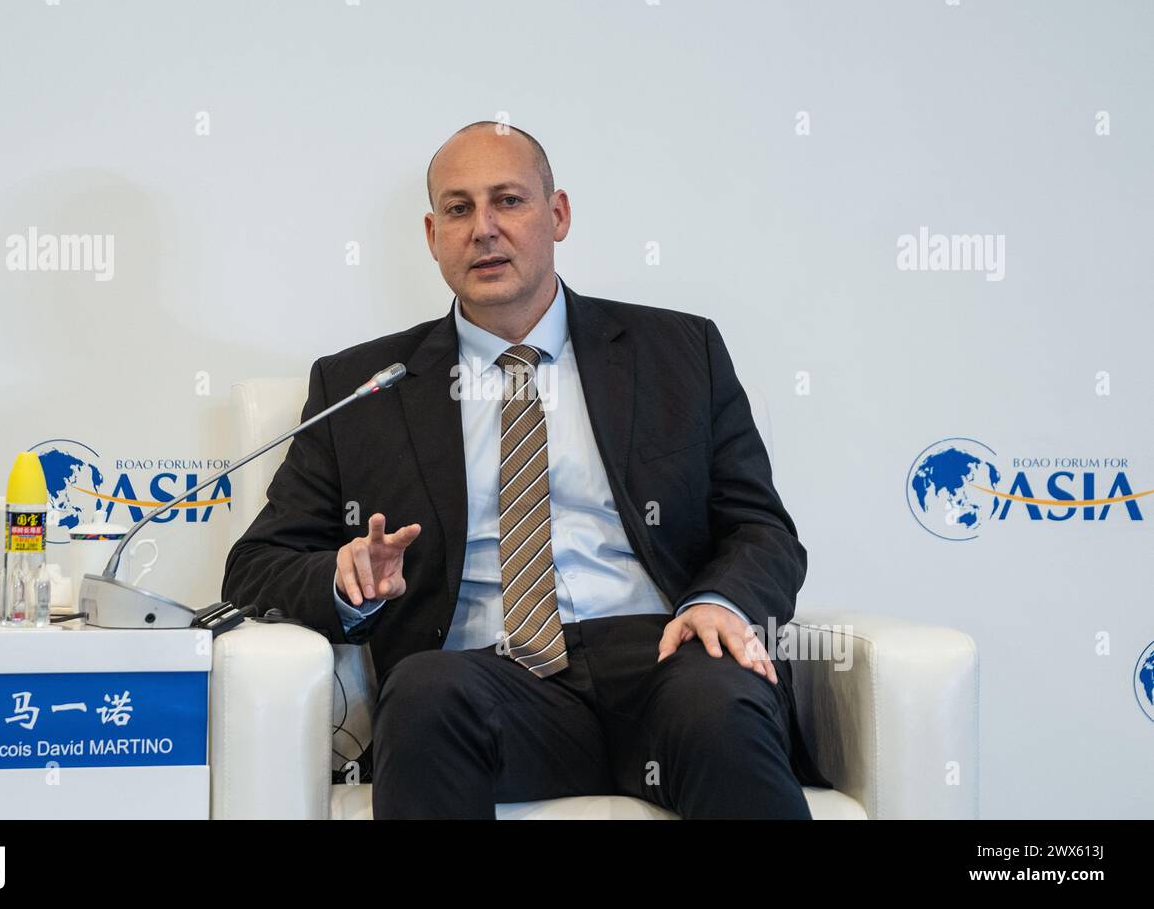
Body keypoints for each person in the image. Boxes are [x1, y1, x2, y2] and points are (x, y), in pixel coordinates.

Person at [222, 121, 832, 818]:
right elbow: (256, 567)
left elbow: (760, 529)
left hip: (665, 658)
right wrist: (344, 578)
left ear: (558, 214)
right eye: (458, 209)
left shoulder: (678, 351)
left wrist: (718, 602)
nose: (483, 229)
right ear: (432, 236)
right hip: (489, 681)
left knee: (720, 698)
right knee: (422, 694)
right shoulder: (364, 387)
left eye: (508, 200)